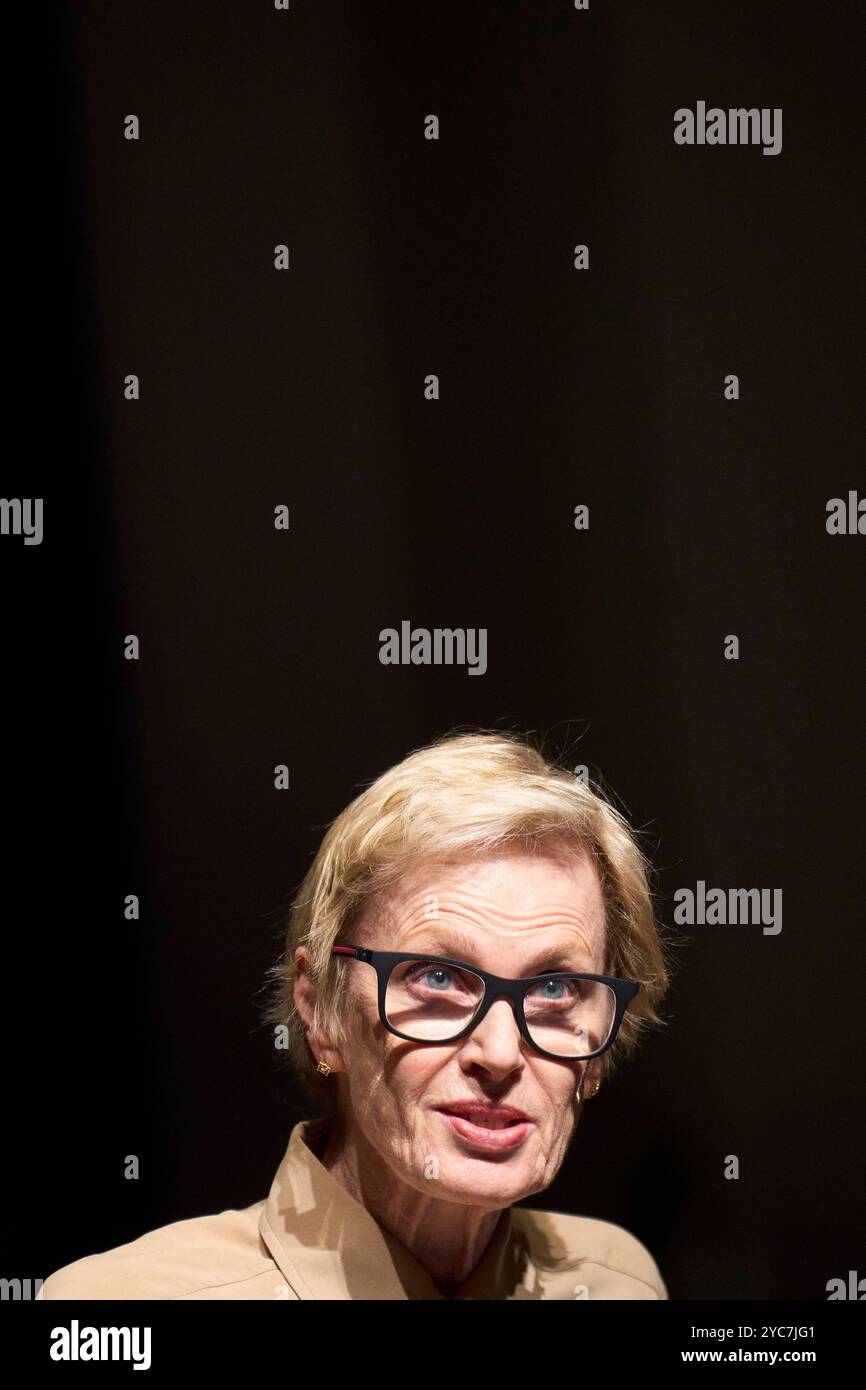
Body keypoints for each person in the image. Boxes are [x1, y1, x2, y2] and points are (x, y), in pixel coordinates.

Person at [40, 730, 674, 1300]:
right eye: (437, 977)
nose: (502, 1053)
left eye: (557, 989)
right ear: (321, 1011)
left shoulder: (617, 1280)